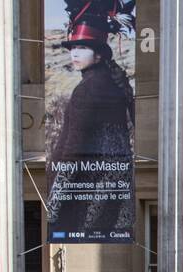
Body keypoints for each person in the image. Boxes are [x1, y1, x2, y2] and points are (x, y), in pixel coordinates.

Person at [47, 11, 135, 239]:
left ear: (98, 56)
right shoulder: (113, 84)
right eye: (72, 48)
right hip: (113, 185)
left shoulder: (87, 89)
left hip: (90, 190)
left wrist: (54, 203)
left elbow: (72, 151)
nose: (74, 53)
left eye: (83, 47)